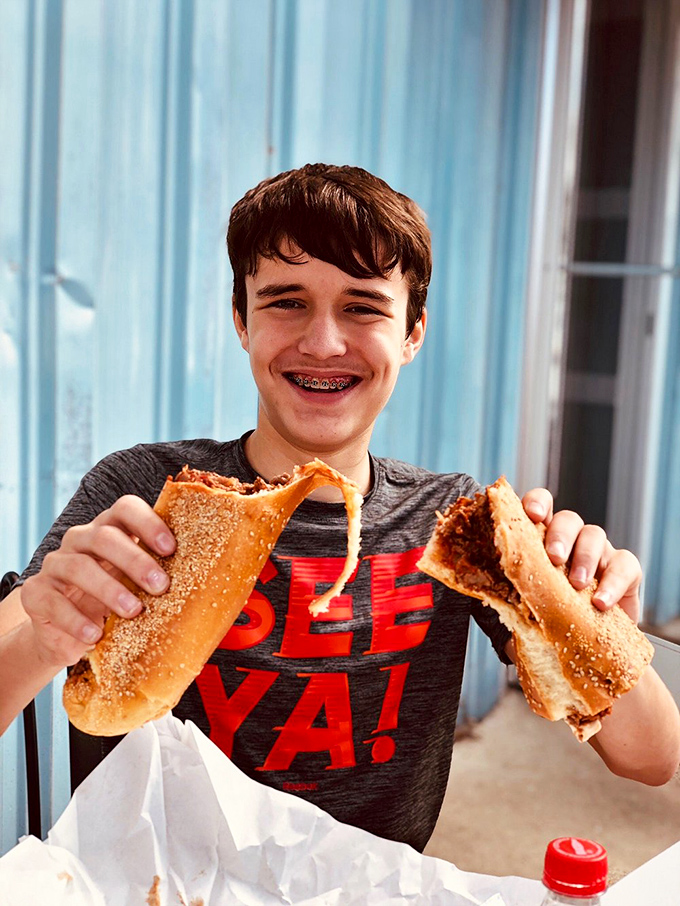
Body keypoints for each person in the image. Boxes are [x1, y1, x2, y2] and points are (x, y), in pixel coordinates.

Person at [0, 164, 678, 852]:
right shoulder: (146, 491)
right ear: (241, 320)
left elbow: (652, 760)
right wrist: (46, 636)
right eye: (285, 302)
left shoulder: (454, 526)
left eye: (363, 306)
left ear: (412, 333)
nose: (323, 343)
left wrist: (602, 631)